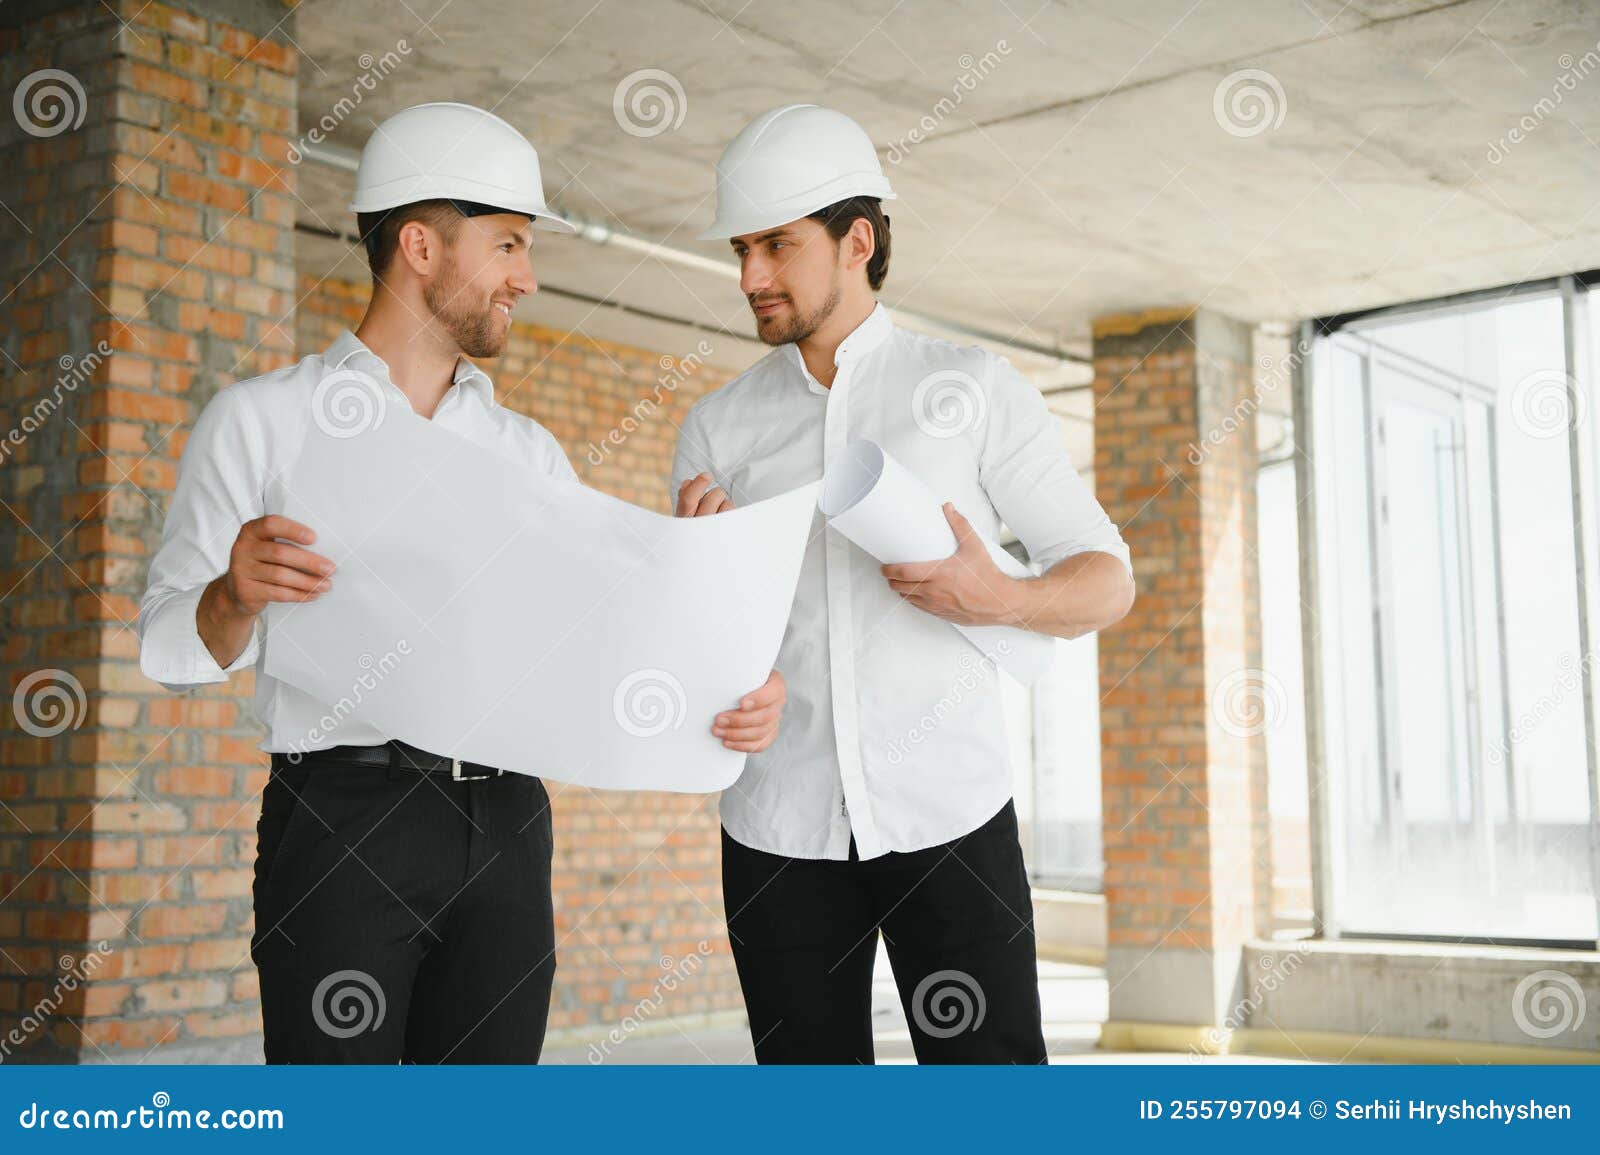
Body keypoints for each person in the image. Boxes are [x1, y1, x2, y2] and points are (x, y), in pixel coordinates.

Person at [137, 102, 786, 1064]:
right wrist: (232, 593)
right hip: (343, 825)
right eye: (509, 244)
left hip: (510, 827)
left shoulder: (527, 452)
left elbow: (593, 644)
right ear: (421, 246)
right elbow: (165, 647)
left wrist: (710, 630)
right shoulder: (260, 422)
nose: (527, 277)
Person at [672, 104, 1134, 1064]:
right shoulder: (718, 429)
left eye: (775, 246)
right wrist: (703, 629)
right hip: (776, 829)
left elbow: (1106, 582)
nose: (750, 276)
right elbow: (699, 654)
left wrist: (998, 596)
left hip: (950, 816)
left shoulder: (971, 389)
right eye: (740, 249)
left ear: (858, 241)